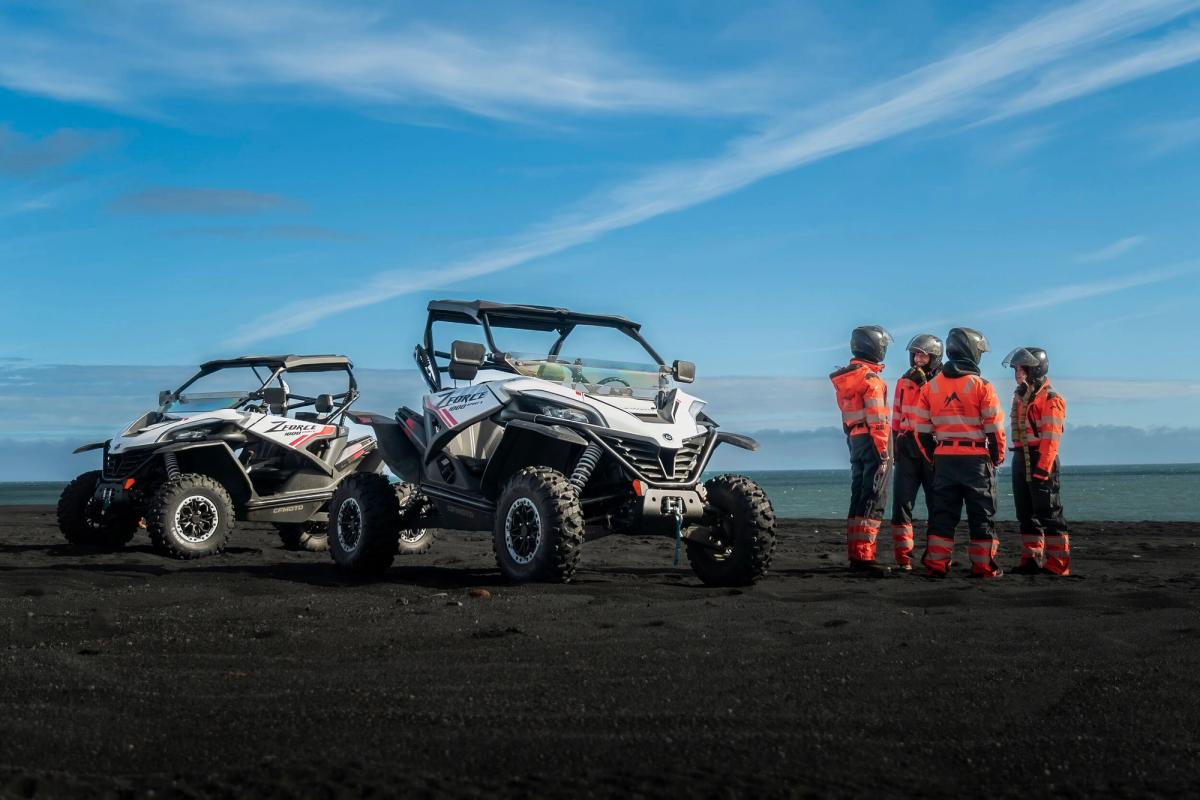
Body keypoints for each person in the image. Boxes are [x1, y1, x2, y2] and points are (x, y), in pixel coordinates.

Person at [913, 327, 1005, 578]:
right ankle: (984, 567)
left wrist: (934, 457)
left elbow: (920, 431)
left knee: (942, 515)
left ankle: (936, 565)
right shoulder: (982, 386)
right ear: (973, 353)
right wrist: (997, 458)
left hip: (944, 459)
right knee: (981, 514)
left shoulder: (930, 387)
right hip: (975, 460)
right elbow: (995, 431)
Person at [1003, 347, 1071, 576]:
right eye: (1016, 369)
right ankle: (1031, 559)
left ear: (1035, 369)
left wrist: (1043, 467)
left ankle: (1057, 564)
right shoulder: (1021, 395)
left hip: (1041, 458)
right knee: (1026, 513)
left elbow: (1051, 437)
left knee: (1049, 512)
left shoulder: (1051, 398)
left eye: (1021, 368)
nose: (1017, 373)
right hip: (1021, 456)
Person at [830, 325, 893, 573]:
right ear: (875, 347)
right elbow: (878, 419)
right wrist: (884, 454)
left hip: (854, 439)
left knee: (858, 497)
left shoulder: (846, 379)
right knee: (874, 497)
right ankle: (865, 557)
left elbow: (847, 416)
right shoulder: (871, 380)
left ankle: (855, 554)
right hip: (871, 440)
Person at [888, 334, 943, 571]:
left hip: (933, 449)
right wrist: (893, 448)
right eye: (916, 354)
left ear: (934, 358)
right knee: (901, 503)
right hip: (907, 448)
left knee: (936, 504)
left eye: (924, 355)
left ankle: (935, 558)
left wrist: (923, 384)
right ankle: (904, 558)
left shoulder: (943, 381)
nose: (918, 359)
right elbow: (897, 416)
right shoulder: (903, 381)